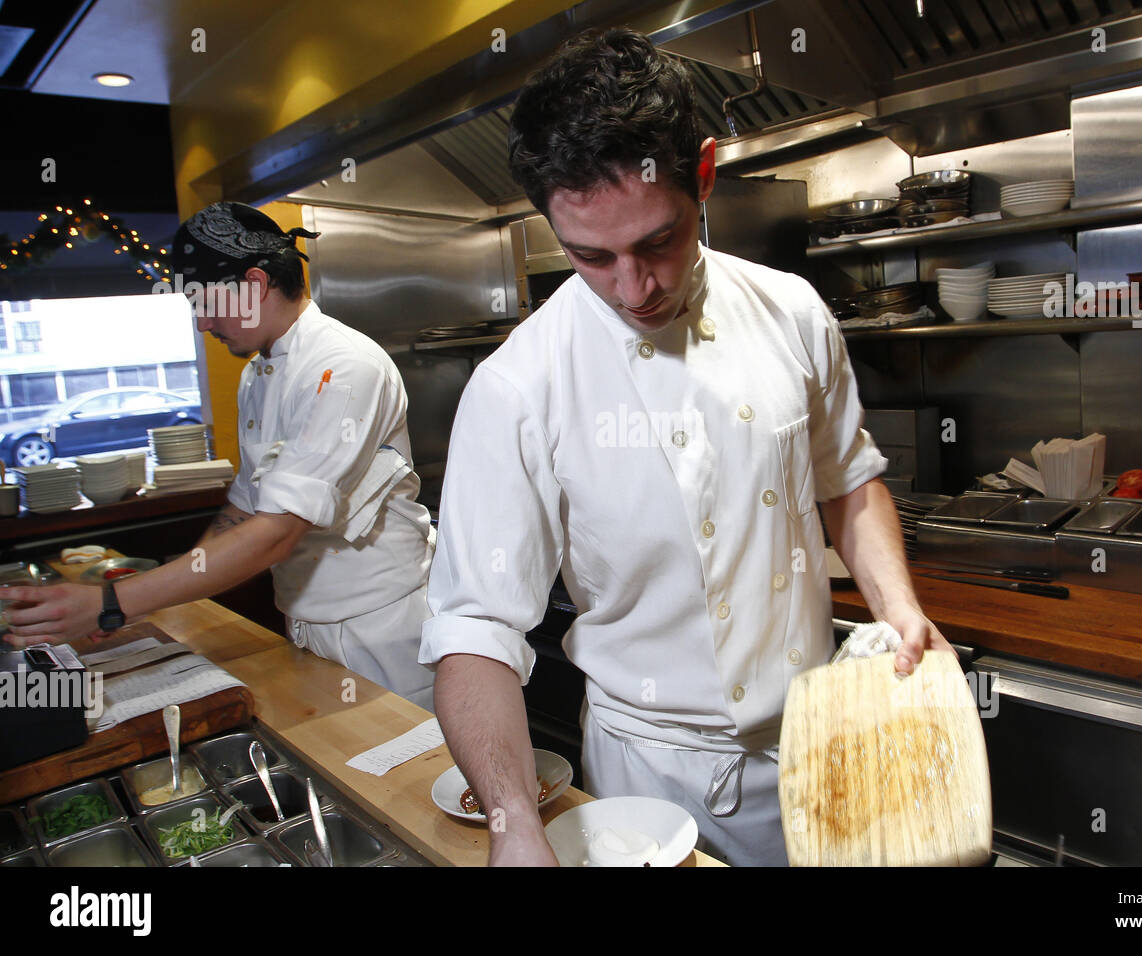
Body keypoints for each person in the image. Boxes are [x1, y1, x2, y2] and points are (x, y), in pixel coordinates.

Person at [421, 28, 954, 866]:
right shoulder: (518, 385)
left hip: (823, 742)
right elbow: (476, 629)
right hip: (648, 778)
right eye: (590, 257)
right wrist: (514, 823)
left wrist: (898, 608)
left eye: (657, 242)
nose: (633, 289)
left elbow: (848, 482)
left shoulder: (792, 310)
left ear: (703, 174)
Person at [1, 202, 436, 711]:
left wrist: (111, 605)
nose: (203, 323)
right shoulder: (258, 376)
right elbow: (245, 509)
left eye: (205, 303)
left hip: (380, 628)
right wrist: (147, 597)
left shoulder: (342, 367)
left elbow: (275, 531)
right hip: (303, 618)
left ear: (254, 283)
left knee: (405, 781)